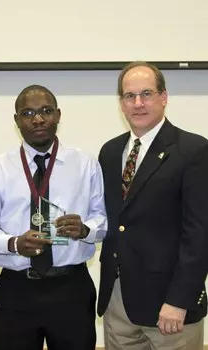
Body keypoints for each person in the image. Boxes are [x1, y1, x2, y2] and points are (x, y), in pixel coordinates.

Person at [0, 84, 107, 350]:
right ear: (16, 120)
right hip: (16, 290)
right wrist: (13, 243)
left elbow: (102, 220)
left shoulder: (85, 164)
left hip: (71, 288)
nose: (38, 119)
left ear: (58, 115)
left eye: (46, 111)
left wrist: (85, 230)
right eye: (28, 113)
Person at [97, 61, 208, 349]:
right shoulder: (110, 152)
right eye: (129, 96)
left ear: (164, 97)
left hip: (170, 308)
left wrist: (179, 300)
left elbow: (199, 234)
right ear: (121, 103)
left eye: (146, 94)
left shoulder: (193, 150)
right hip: (119, 303)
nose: (138, 103)